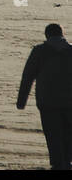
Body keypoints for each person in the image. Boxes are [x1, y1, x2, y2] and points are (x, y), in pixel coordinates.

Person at [17, 23, 72, 170]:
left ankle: (57, 163)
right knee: (68, 133)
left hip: (47, 102)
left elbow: (27, 77)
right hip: (69, 102)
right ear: (62, 35)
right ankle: (67, 162)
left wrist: (21, 101)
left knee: (53, 134)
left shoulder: (40, 51)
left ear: (47, 35)